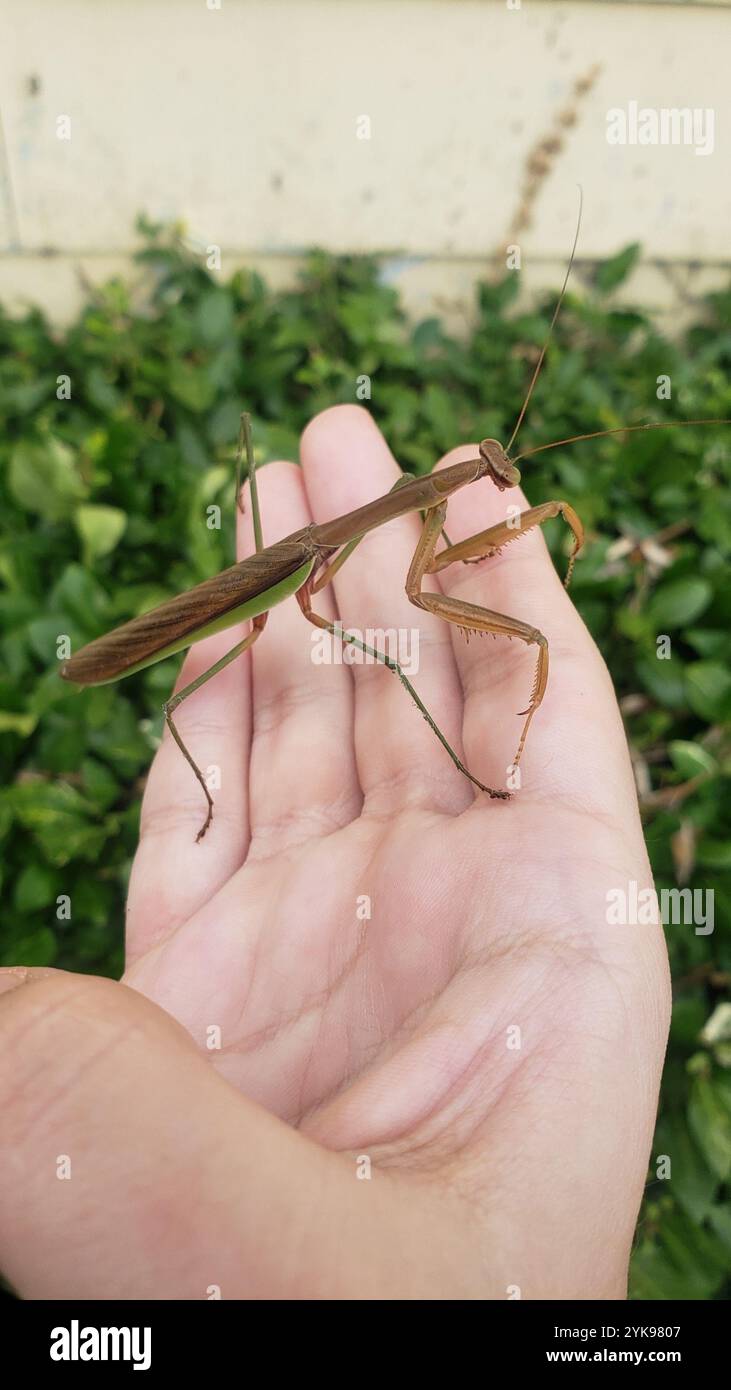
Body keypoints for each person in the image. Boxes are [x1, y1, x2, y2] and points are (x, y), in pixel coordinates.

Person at [0, 405, 669, 1299]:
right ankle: (238, 787)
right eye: (491, 476)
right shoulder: (369, 538)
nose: (496, 480)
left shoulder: (406, 512)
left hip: (309, 562)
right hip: (260, 588)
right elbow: (420, 587)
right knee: (347, 670)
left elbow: (418, 559)